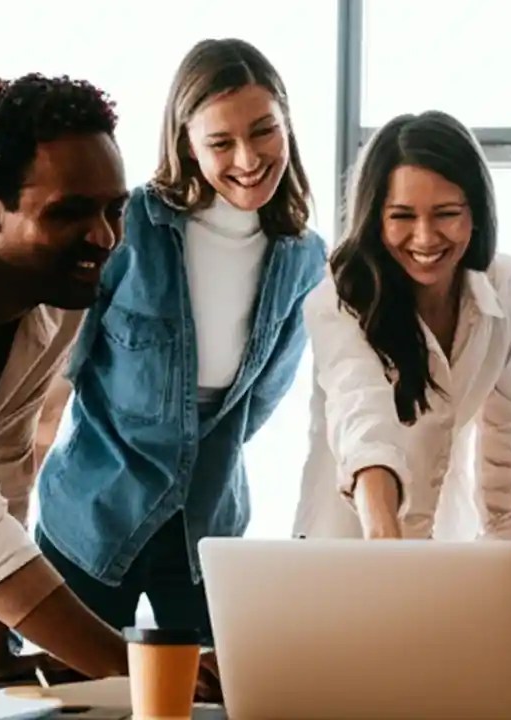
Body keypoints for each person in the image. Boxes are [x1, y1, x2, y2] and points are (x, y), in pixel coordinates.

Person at [35, 38, 325, 643]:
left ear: (287, 126)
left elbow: (258, 402)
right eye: (221, 141)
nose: (248, 158)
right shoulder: (129, 226)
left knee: (218, 693)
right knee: (77, 698)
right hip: (93, 516)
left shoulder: (303, 258)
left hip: (206, 534)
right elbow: (57, 378)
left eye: (264, 131)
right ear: (187, 144)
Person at [0, 73, 133, 691]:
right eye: (71, 212)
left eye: (113, 209)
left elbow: (3, 465)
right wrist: (134, 668)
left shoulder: (58, 299)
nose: (104, 236)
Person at [293, 110, 511, 542]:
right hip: (351, 536)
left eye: (446, 213)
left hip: (445, 533)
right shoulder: (342, 295)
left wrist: (510, 567)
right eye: (402, 216)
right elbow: (360, 410)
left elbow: (504, 453)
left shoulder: (508, 290)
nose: (425, 238)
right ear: (375, 218)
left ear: (475, 213)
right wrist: (384, 536)